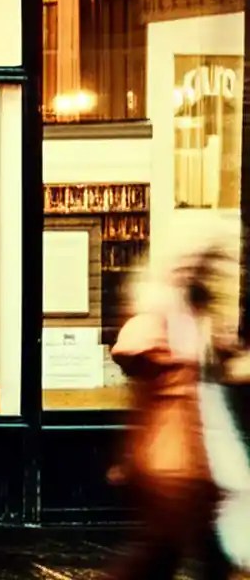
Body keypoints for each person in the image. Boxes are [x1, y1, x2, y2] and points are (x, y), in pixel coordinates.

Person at [108, 221, 241, 580]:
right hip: (174, 464)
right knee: (158, 554)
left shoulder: (196, 325)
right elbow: (131, 351)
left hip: (191, 463)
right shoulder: (162, 320)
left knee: (179, 554)